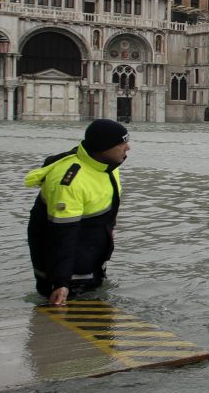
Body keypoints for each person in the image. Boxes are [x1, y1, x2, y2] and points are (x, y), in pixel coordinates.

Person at [25, 118, 130, 305]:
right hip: (63, 264)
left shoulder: (107, 167)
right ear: (103, 148)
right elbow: (62, 236)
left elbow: (107, 206)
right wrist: (61, 282)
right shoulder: (69, 181)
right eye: (121, 143)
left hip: (90, 255)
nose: (127, 147)